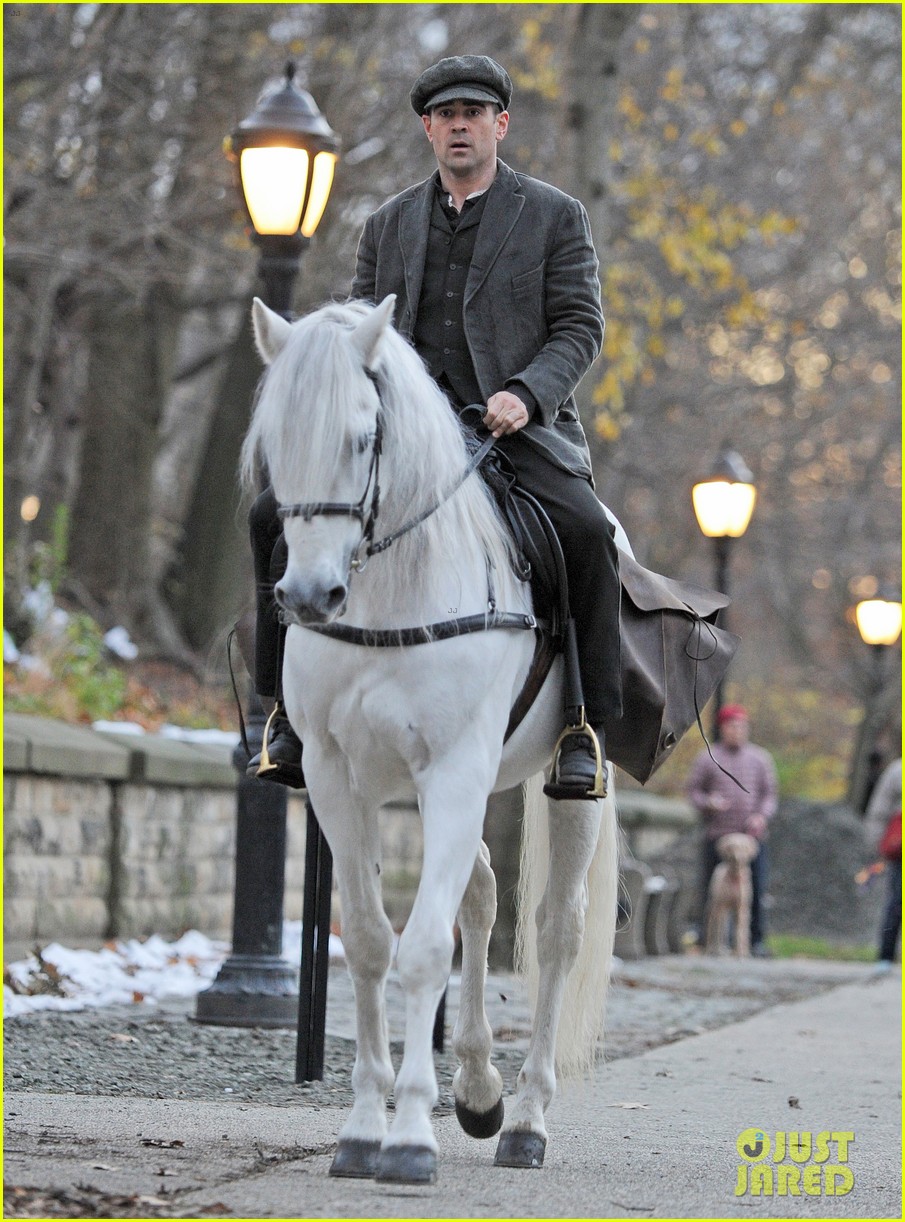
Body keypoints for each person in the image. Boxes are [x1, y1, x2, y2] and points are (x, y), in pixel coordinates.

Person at [247, 54, 623, 797]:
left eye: (474, 114)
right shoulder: (386, 224)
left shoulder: (554, 215)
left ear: (499, 125)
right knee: (270, 513)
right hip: (404, 439)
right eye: (446, 115)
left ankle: (584, 722)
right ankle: (282, 715)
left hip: (511, 432)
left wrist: (526, 392)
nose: (460, 126)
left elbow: (579, 326)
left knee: (586, 532)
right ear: (427, 128)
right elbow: (361, 331)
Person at [687, 704, 779, 956]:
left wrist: (761, 816)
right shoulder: (708, 757)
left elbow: (769, 795)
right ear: (722, 728)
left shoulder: (761, 759)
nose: (737, 731)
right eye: (732, 726)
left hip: (751, 839)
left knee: (756, 889)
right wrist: (709, 803)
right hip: (718, 837)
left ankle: (754, 942)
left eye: (741, 726)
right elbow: (693, 791)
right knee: (710, 889)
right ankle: (708, 940)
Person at [863, 756, 902, 975]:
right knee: (896, 903)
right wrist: (878, 845)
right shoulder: (898, 771)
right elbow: (880, 809)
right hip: (900, 852)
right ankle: (885, 957)